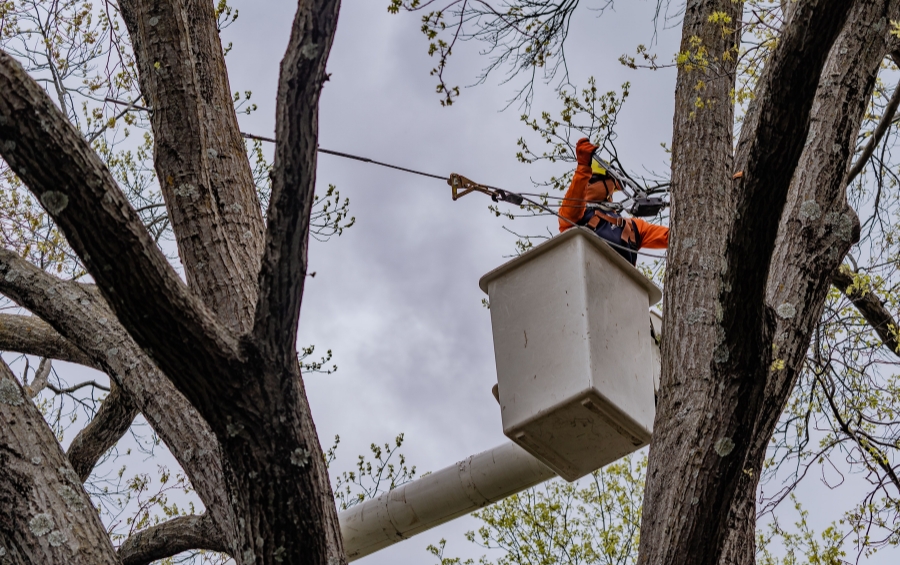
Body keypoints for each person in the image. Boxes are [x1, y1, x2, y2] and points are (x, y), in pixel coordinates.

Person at [558, 138, 669, 265]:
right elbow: (571, 207)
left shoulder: (632, 227)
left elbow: (671, 236)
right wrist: (583, 169)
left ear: (609, 185)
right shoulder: (578, 214)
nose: (587, 185)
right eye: (586, 181)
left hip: (619, 282)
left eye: (591, 180)